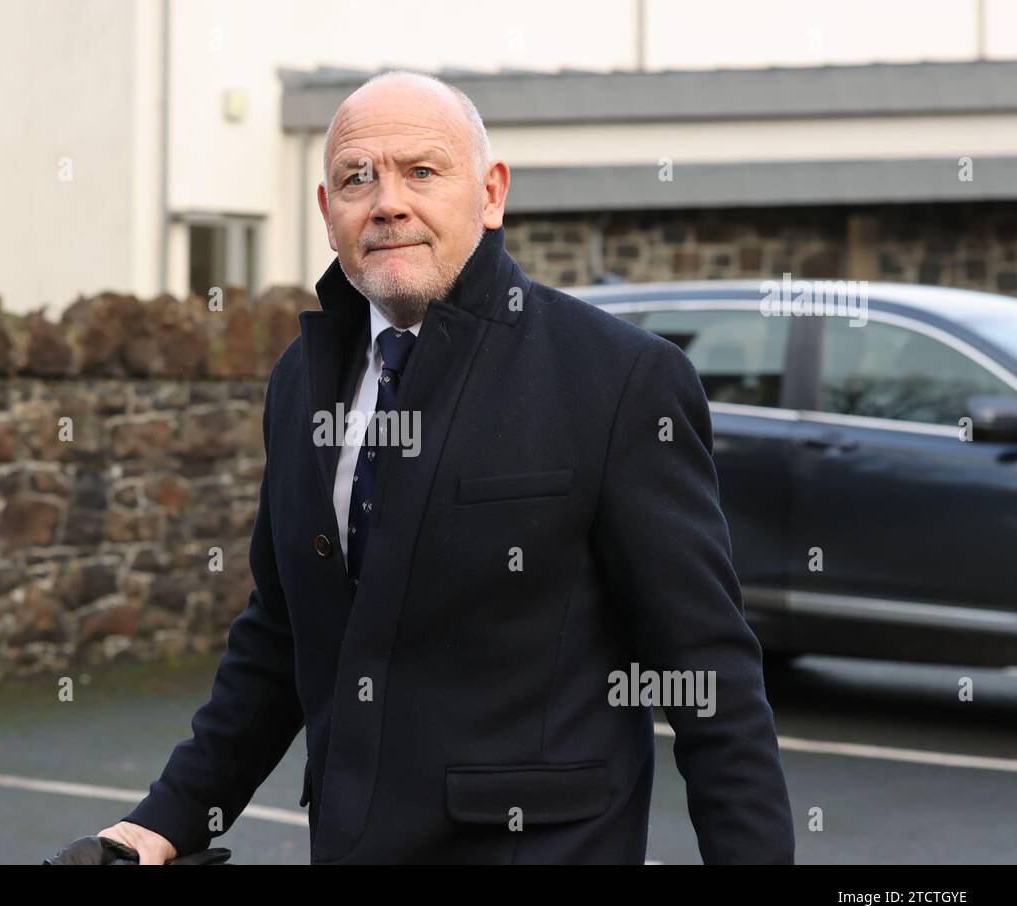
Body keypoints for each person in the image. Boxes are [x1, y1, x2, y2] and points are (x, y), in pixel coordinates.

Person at [101, 69, 795, 864]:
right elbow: (282, 634)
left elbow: (710, 675)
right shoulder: (302, 379)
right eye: (356, 178)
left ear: (491, 193)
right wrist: (161, 824)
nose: (387, 201)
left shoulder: (619, 380)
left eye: (422, 171)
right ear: (329, 214)